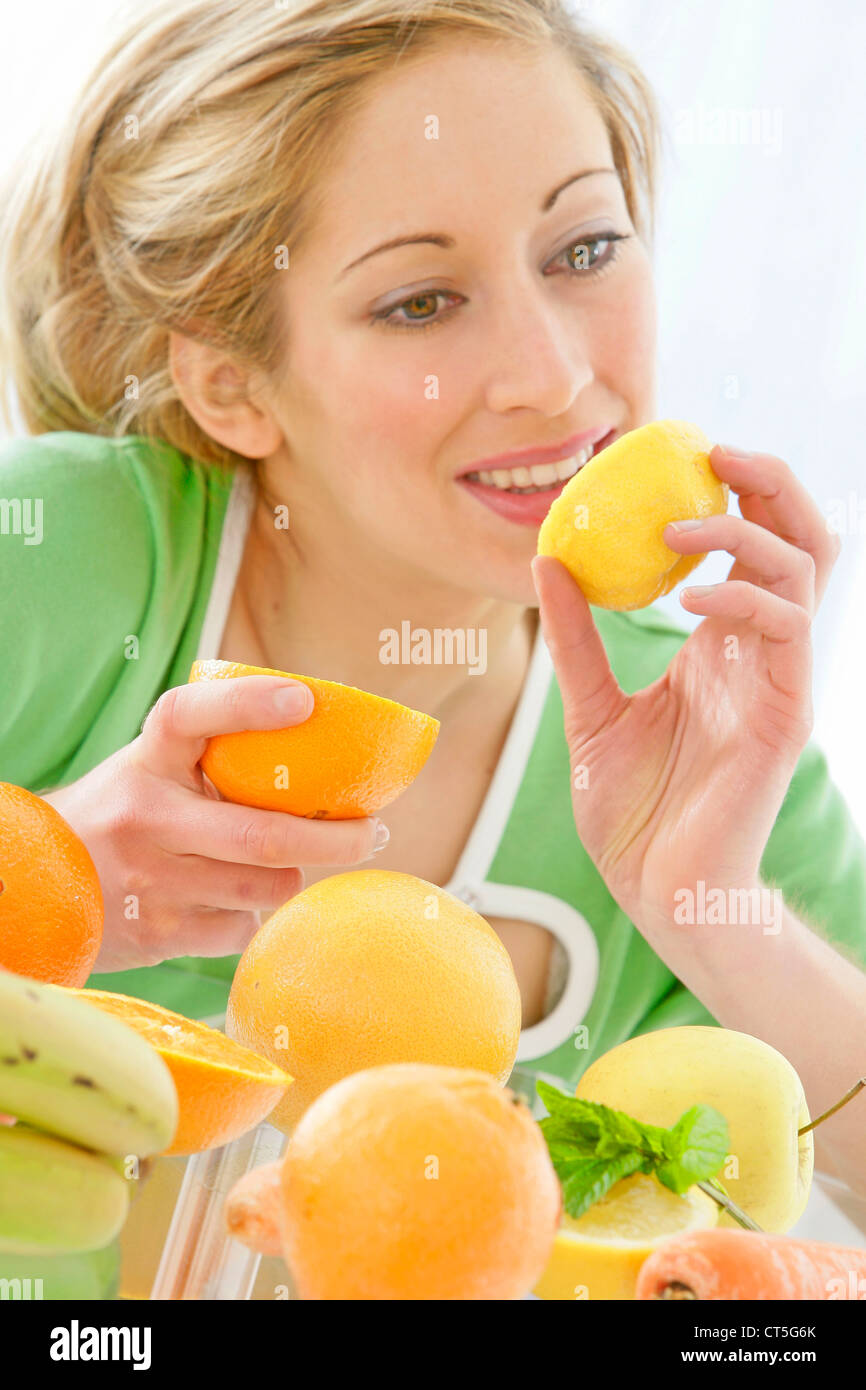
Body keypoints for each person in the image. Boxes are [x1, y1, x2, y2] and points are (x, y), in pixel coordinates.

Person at [0, 0, 864, 1203]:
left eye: (582, 250)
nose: (555, 377)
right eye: (419, 302)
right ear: (230, 385)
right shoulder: (59, 563)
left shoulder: (704, 735)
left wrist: (711, 913)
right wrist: (42, 891)